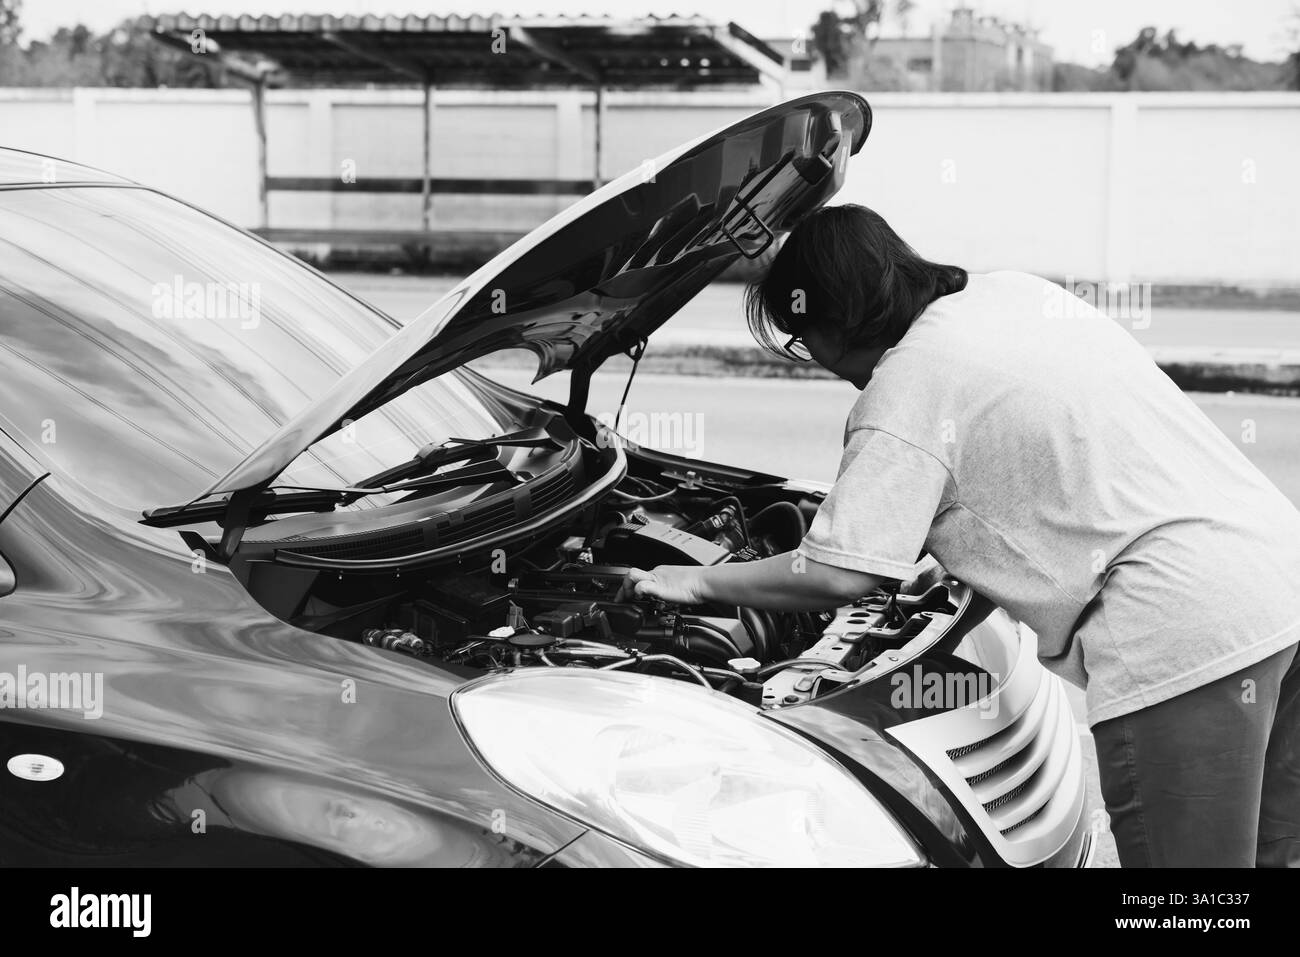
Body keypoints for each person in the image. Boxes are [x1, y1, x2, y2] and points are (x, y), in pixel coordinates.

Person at [618, 204, 1300, 867]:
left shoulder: (906, 388)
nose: (815, 360)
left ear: (829, 321)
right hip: (1277, 581)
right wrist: (950, 555)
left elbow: (837, 575)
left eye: (802, 342)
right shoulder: (1011, 294)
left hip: (1187, 637)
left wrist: (694, 579)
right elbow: (1041, 463)